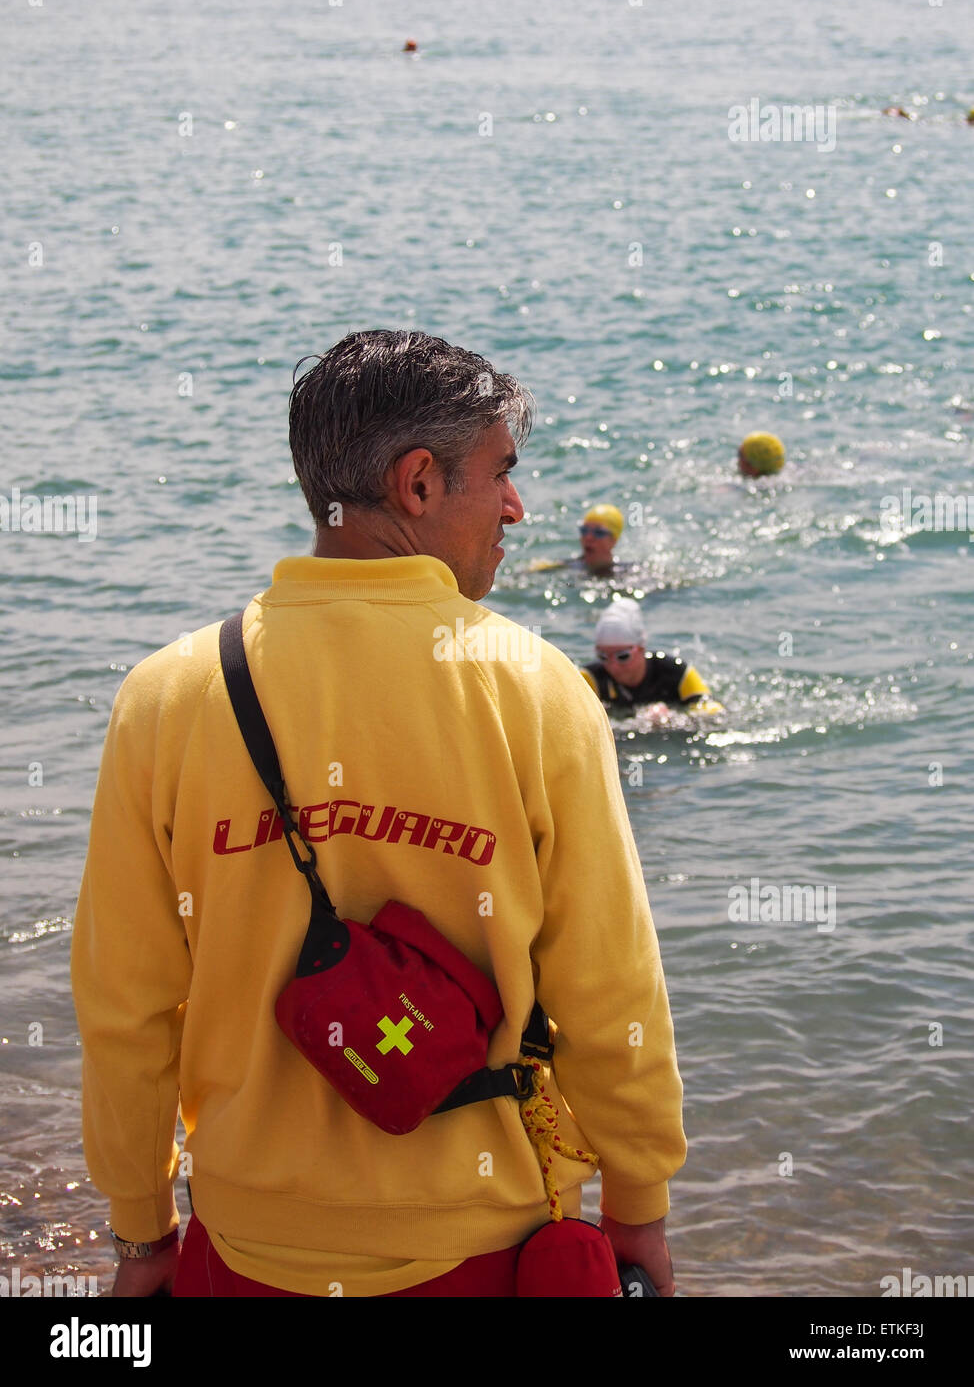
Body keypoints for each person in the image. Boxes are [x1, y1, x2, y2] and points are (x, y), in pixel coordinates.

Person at [72, 329, 686, 1299]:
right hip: (483, 1241)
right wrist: (638, 1201)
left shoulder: (167, 697)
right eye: (501, 474)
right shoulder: (532, 691)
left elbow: (126, 1008)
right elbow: (609, 992)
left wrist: (142, 1231)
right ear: (416, 484)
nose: (517, 508)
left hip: (245, 1244)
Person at [581, 598, 723, 714]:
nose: (613, 665)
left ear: (641, 648)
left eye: (622, 656)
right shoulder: (590, 678)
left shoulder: (676, 673)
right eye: (603, 656)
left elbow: (714, 713)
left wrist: (673, 718)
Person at [529, 503, 626, 576]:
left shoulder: (626, 572)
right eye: (584, 530)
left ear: (614, 541)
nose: (588, 537)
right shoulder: (566, 566)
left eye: (598, 533)